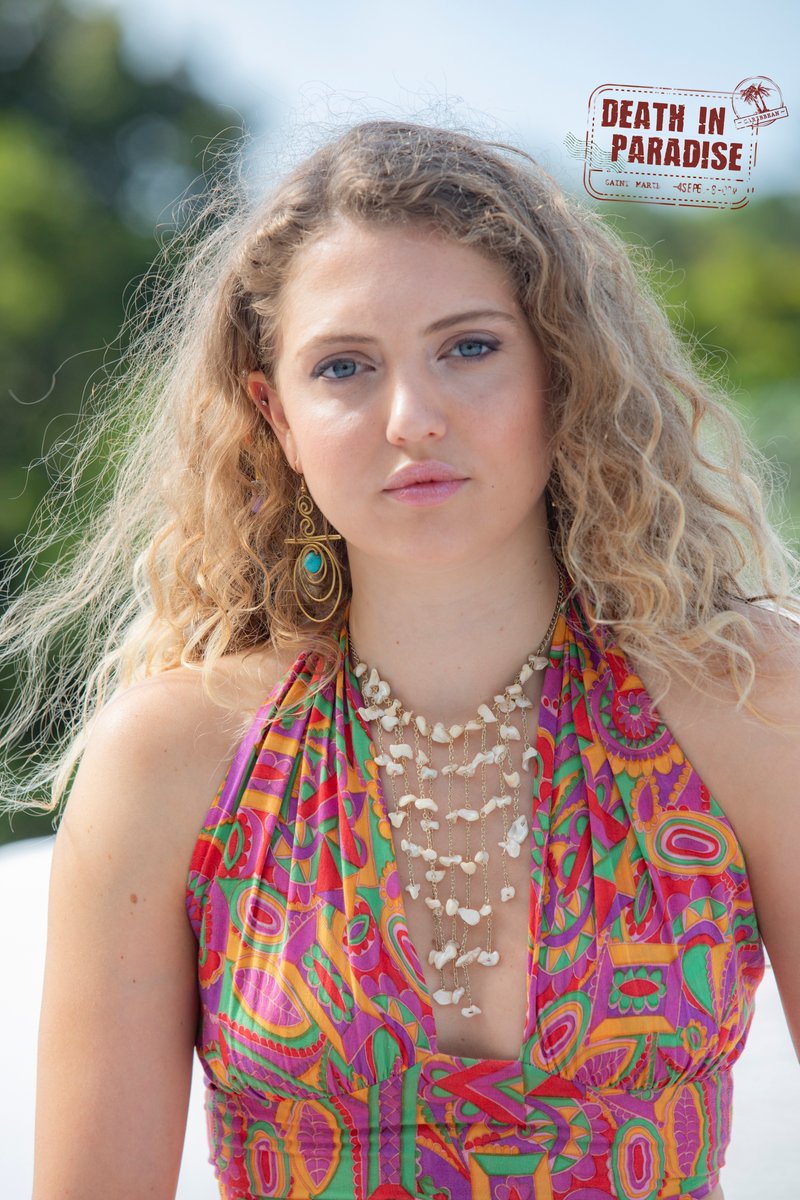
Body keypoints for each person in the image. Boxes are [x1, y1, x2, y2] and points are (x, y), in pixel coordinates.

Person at [5, 117, 798, 1199]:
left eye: (468, 347)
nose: (413, 418)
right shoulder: (170, 758)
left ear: (560, 369)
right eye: (345, 367)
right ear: (277, 417)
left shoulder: (749, 699)